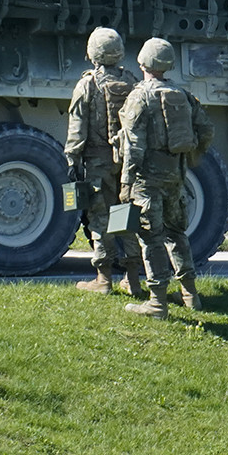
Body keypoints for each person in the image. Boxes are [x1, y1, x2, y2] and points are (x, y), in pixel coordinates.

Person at [117, 38, 215, 318]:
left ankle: (157, 302)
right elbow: (206, 130)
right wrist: (192, 157)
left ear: (142, 63)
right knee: (177, 234)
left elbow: (133, 146)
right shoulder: (182, 95)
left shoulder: (139, 96)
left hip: (147, 181)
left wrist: (126, 183)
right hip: (175, 176)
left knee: (150, 238)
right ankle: (190, 295)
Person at [63, 27, 143, 296]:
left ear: (92, 53)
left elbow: (77, 129)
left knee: (99, 218)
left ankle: (103, 279)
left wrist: (72, 159)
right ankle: (132, 279)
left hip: (97, 163)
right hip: (126, 163)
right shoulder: (132, 82)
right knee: (125, 217)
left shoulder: (87, 84)